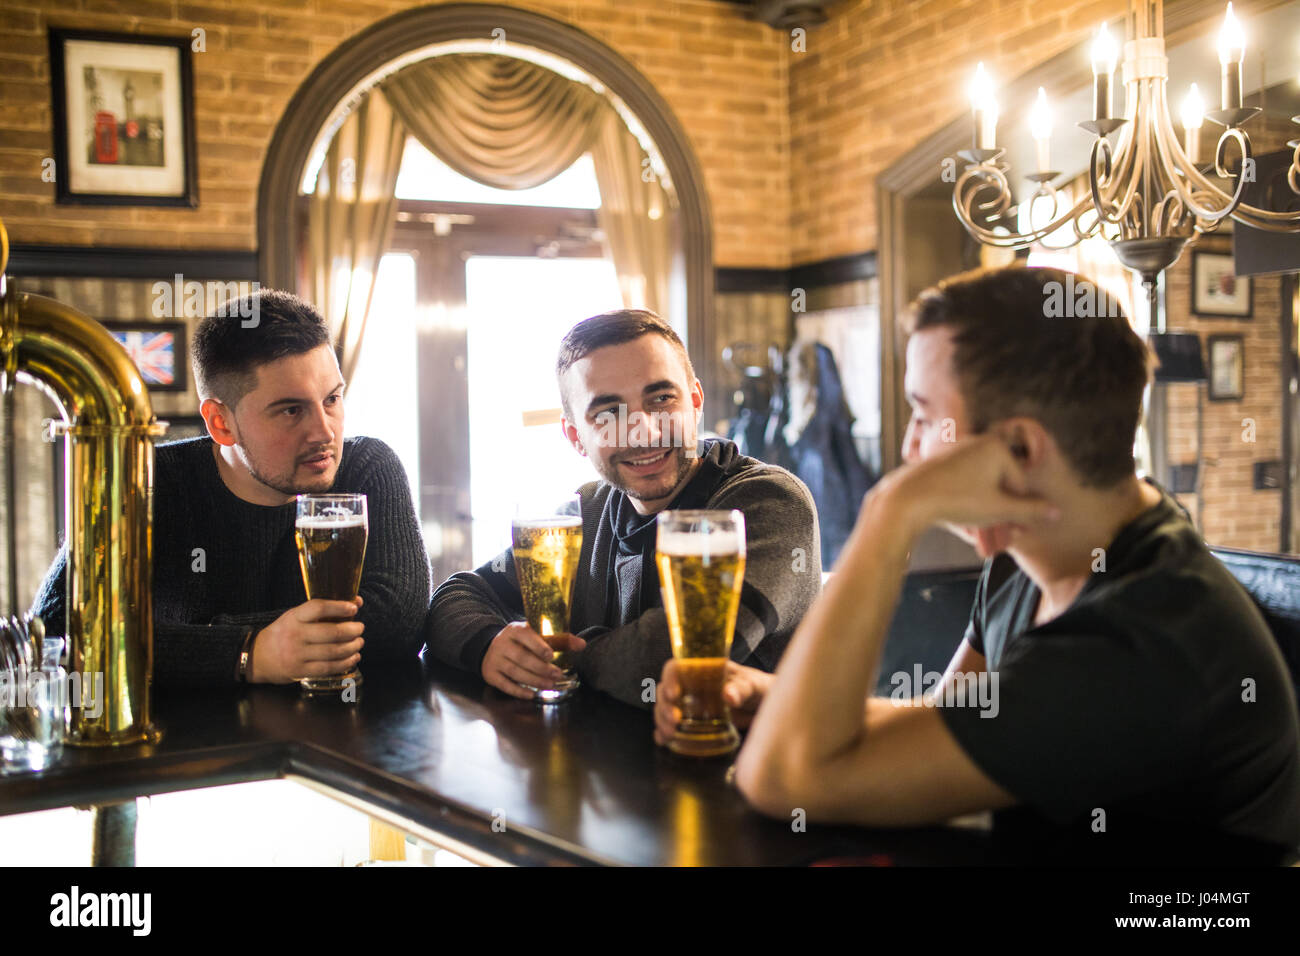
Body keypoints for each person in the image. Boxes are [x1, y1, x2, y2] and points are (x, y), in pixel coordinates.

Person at [657, 265, 1300, 861]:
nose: (909, 444)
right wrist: (777, 698)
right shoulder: (1026, 552)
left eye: (923, 413)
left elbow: (783, 780)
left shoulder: (1140, 642)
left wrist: (892, 509)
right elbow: (951, 720)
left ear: (1019, 447)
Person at [424, 309, 821, 707]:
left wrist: (555, 658)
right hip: (598, 765)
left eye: (662, 398)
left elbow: (678, 660)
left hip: (742, 765)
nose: (643, 432)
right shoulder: (586, 511)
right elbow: (454, 597)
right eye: (609, 412)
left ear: (695, 401)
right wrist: (490, 645)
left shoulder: (767, 503)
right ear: (576, 436)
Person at [33, 290, 431, 685]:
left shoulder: (367, 467)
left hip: (347, 741)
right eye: (291, 410)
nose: (324, 432)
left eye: (331, 399)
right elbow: (57, 633)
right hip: (186, 746)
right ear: (221, 422)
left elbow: (399, 622)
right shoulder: (148, 482)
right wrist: (252, 653)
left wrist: (199, 635)